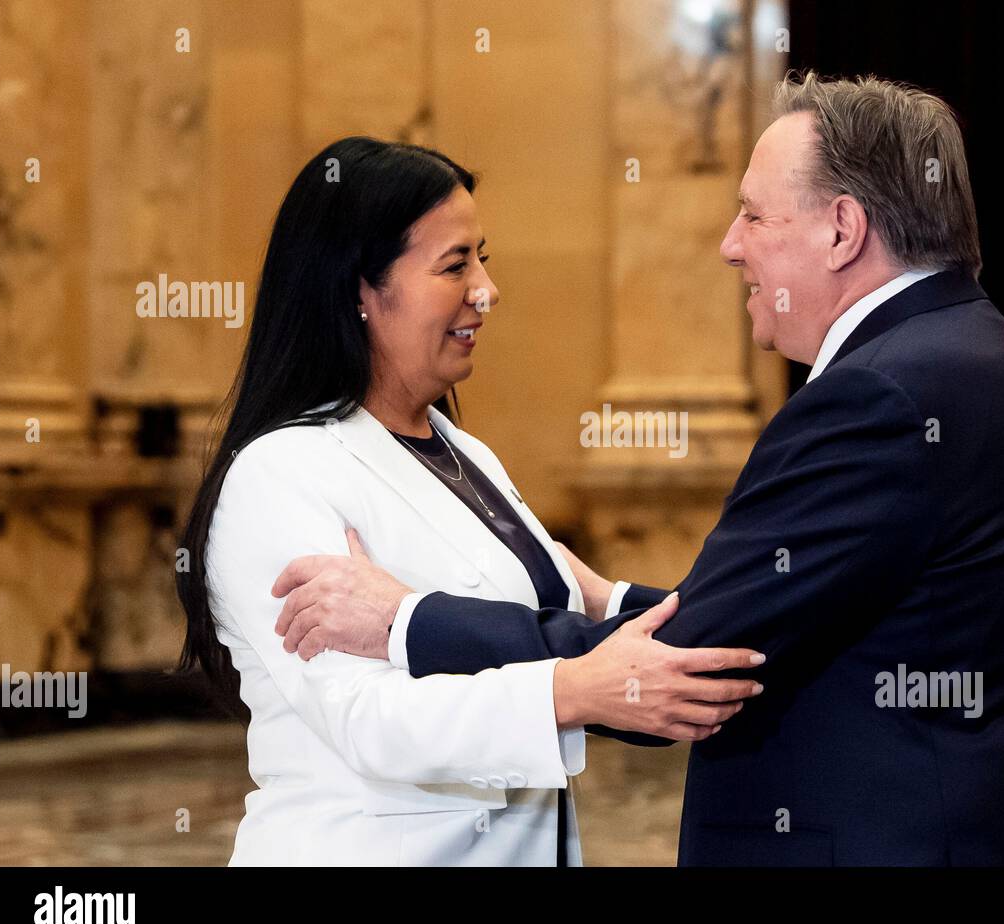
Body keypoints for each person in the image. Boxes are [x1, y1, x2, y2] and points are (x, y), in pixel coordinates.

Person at [277, 74, 1004, 866]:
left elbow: (684, 667)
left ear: (842, 229)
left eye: (753, 215)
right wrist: (613, 599)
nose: (728, 246)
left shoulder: (879, 398)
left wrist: (404, 620)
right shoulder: (978, 358)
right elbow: (797, 618)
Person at [175, 137, 762, 866]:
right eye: (455, 265)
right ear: (359, 291)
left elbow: (542, 624)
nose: (486, 289)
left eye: (483, 258)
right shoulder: (280, 472)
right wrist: (570, 690)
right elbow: (367, 718)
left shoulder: (464, 451)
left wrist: (606, 604)